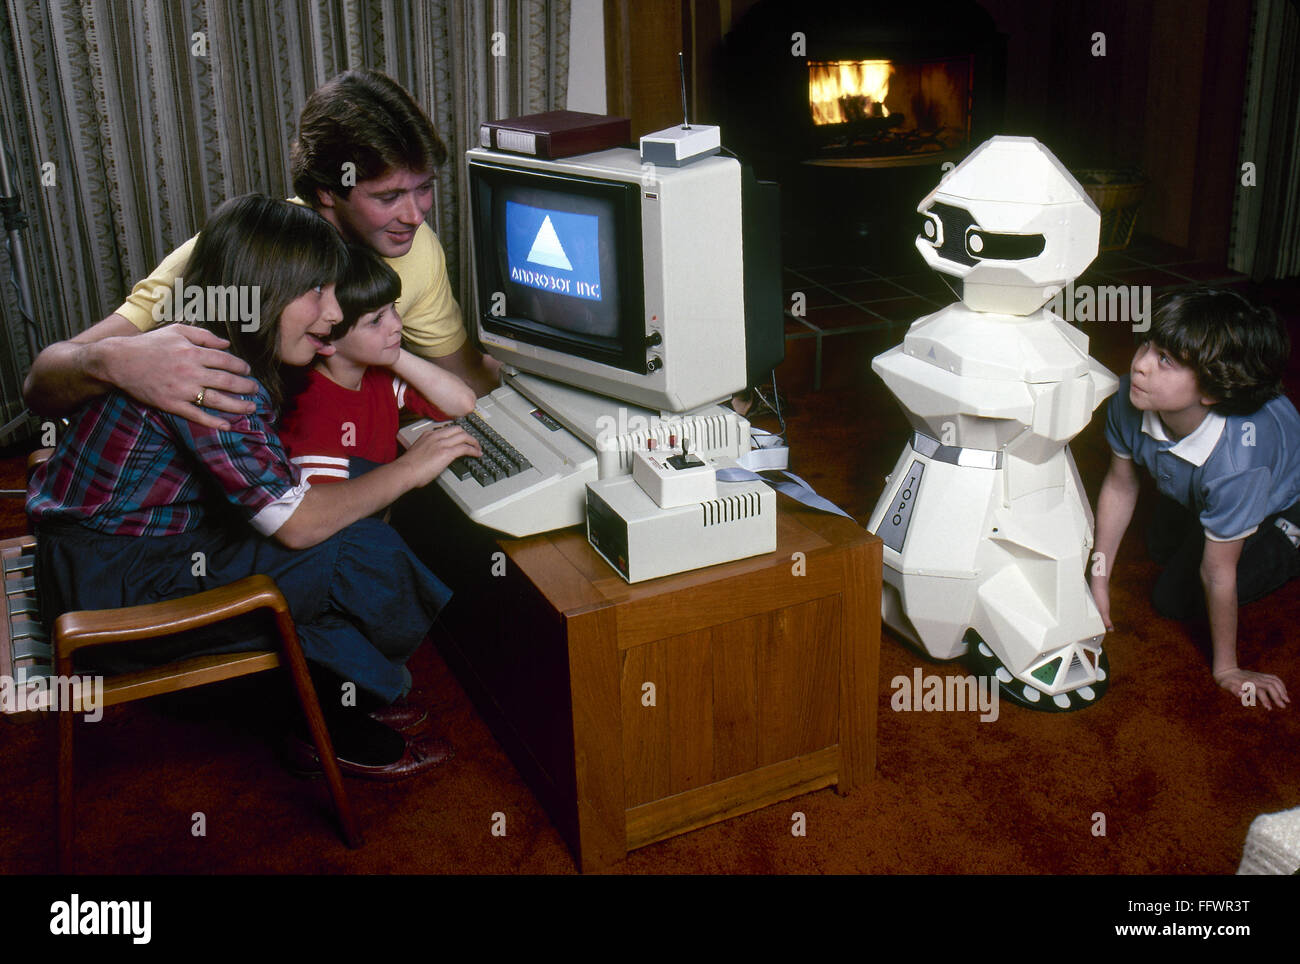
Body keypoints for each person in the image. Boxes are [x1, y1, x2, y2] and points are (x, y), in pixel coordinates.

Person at [27, 195, 483, 779]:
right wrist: (412, 468)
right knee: (359, 553)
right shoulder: (211, 375)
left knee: (351, 508)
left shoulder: (203, 338)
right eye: (316, 292)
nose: (333, 311)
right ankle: (321, 714)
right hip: (108, 586)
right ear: (262, 294)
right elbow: (297, 524)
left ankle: (337, 695)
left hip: (101, 554)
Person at [22, 68, 500, 432]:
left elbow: (467, 375)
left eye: (423, 188)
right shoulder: (244, 256)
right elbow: (42, 386)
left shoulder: (414, 251)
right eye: (389, 196)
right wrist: (114, 362)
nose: (416, 215)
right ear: (329, 190)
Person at [1090, 288, 1300, 710]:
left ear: (1212, 391)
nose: (1140, 364)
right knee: (1160, 545)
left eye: (1165, 360)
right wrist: (1097, 581)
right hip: (1203, 483)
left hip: (1276, 499)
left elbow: (1219, 572)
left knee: (1173, 598)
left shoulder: (1240, 464)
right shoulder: (1129, 396)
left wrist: (1227, 669)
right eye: (1147, 344)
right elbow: (1120, 484)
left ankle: (1290, 538)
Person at [278, 244, 476, 486]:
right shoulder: (314, 413)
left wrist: (395, 355)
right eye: (376, 320)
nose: (396, 324)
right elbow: (332, 513)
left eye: (393, 308)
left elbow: (462, 403)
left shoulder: (374, 375)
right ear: (325, 338)